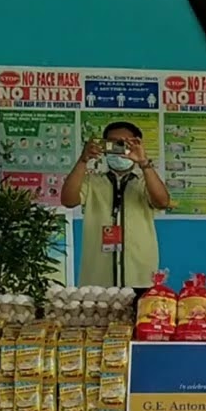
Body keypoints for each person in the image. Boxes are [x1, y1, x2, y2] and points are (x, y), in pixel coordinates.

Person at [61, 121, 170, 293]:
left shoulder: (144, 182)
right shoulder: (92, 182)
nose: (119, 148)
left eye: (126, 143)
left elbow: (162, 202)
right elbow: (68, 200)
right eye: (113, 142)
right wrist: (83, 160)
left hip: (140, 277)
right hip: (97, 279)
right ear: (104, 147)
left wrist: (144, 163)